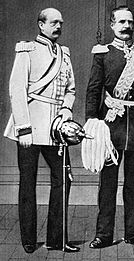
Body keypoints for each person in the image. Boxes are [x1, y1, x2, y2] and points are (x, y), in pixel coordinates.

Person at [4, 8, 80, 253]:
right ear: (41, 25)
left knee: (63, 180)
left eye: (61, 23)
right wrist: (23, 129)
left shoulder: (64, 54)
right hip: (31, 126)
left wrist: (67, 110)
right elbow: (17, 89)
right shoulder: (27, 50)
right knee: (28, 183)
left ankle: (56, 240)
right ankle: (28, 239)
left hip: (55, 128)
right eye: (54, 22)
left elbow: (71, 89)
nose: (58, 26)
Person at [85, 5, 134, 249]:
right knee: (107, 183)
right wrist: (91, 120)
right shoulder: (103, 53)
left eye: (130, 22)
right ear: (112, 25)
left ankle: (133, 232)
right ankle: (104, 234)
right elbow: (94, 89)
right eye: (121, 22)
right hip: (110, 124)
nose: (127, 26)